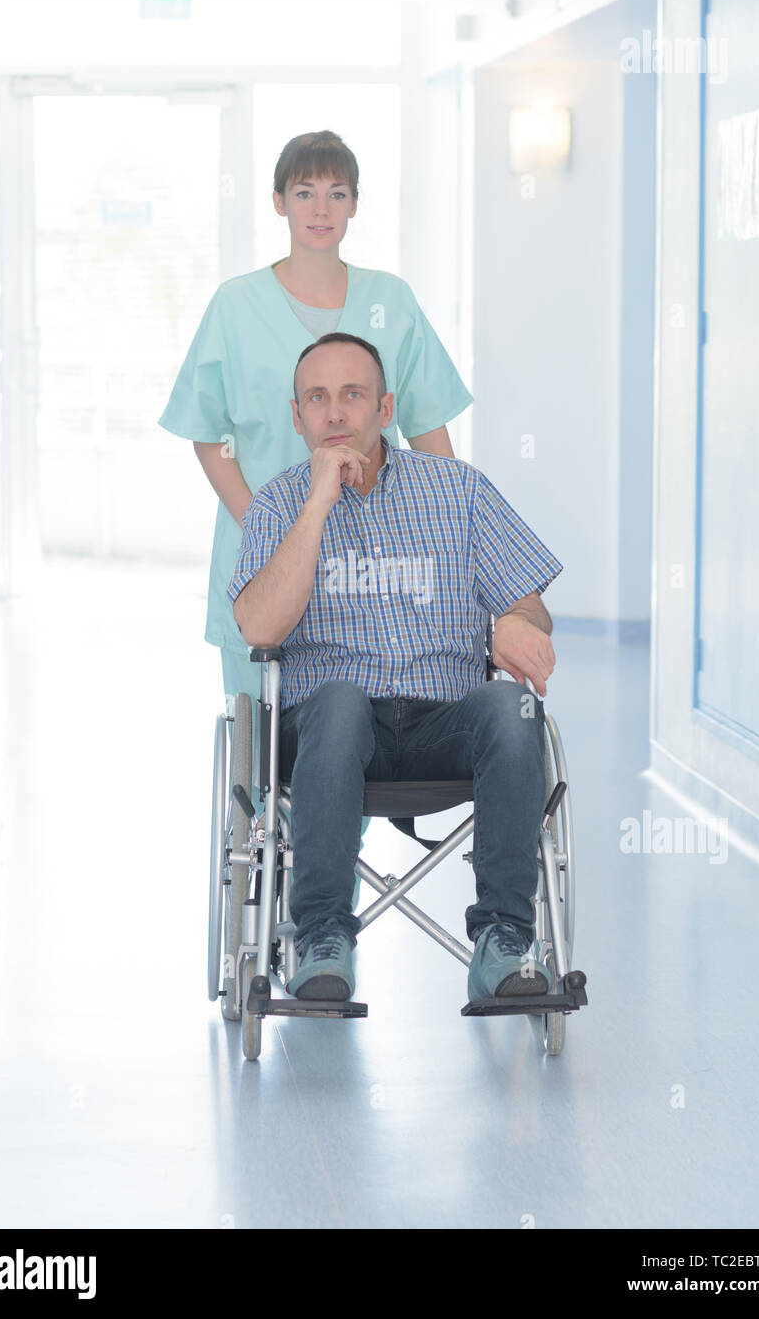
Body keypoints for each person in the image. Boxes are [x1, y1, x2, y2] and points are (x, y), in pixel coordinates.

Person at [228, 332, 564, 1006]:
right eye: (316, 399)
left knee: (512, 708)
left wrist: (512, 624)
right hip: (328, 732)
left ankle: (505, 940)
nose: (334, 415)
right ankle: (321, 937)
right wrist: (317, 504)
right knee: (343, 701)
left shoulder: (458, 491)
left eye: (351, 395)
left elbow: (532, 609)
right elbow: (259, 628)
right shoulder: (275, 503)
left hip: (444, 722)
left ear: (383, 408)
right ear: (296, 416)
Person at [158, 130, 472, 717]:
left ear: (355, 203)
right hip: (263, 549)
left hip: (372, 562)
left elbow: (427, 430)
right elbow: (209, 433)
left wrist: (449, 536)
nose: (321, 209)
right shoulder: (236, 304)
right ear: (279, 202)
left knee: (355, 741)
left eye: (337, 193)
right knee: (264, 753)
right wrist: (266, 528)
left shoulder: (392, 302)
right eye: (304, 193)